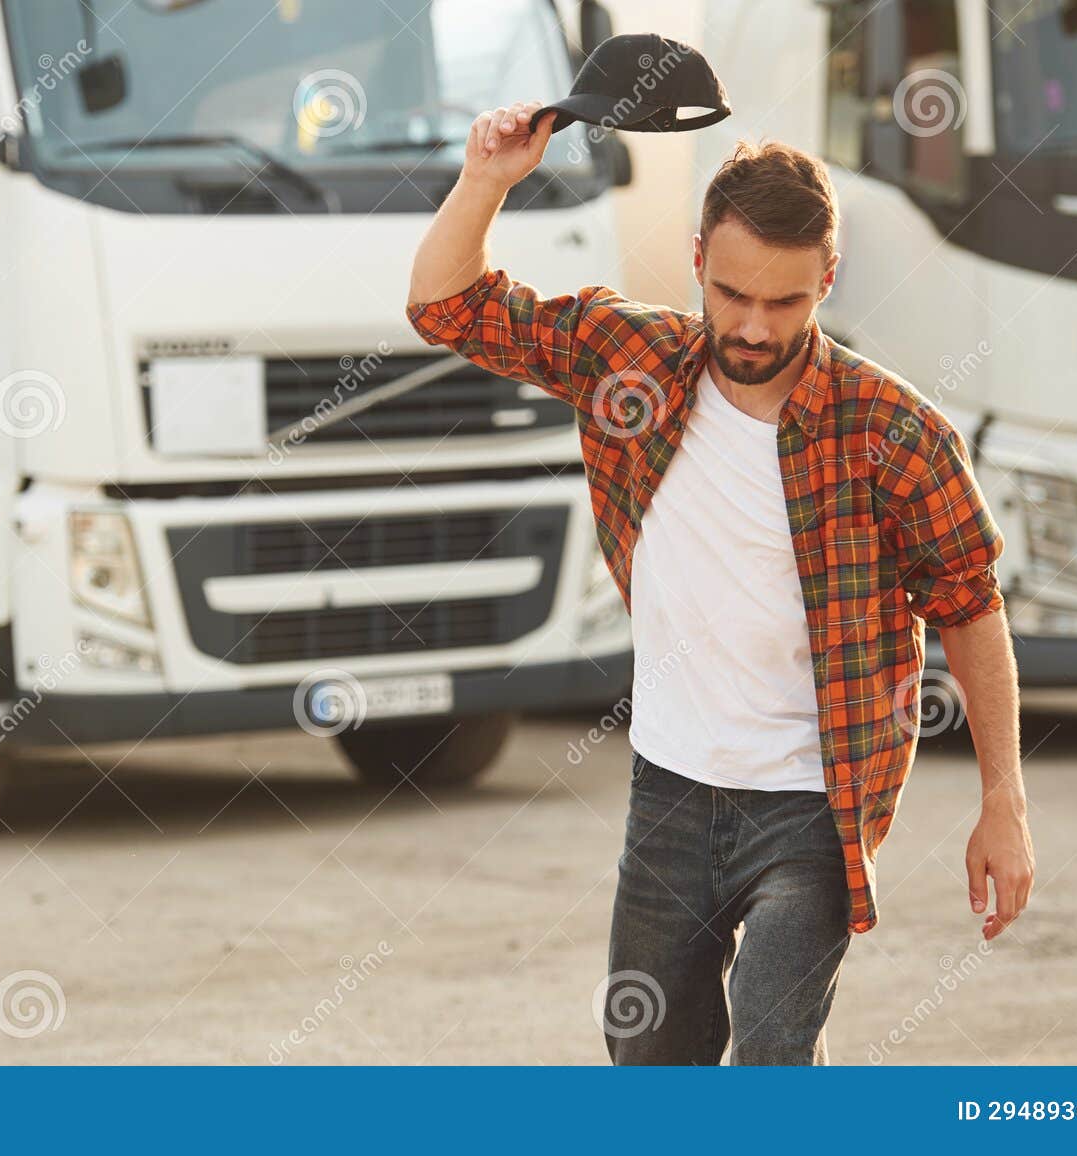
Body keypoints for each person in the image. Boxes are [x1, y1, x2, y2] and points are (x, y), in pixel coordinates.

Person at [405, 101, 1035, 1065]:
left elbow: (971, 605)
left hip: (813, 801)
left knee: (774, 1043)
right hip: (670, 789)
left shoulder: (893, 433)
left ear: (828, 279)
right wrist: (487, 179)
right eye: (732, 293)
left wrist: (1004, 801)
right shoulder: (631, 361)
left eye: (785, 303)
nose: (751, 326)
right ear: (698, 259)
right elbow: (445, 306)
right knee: (650, 1055)